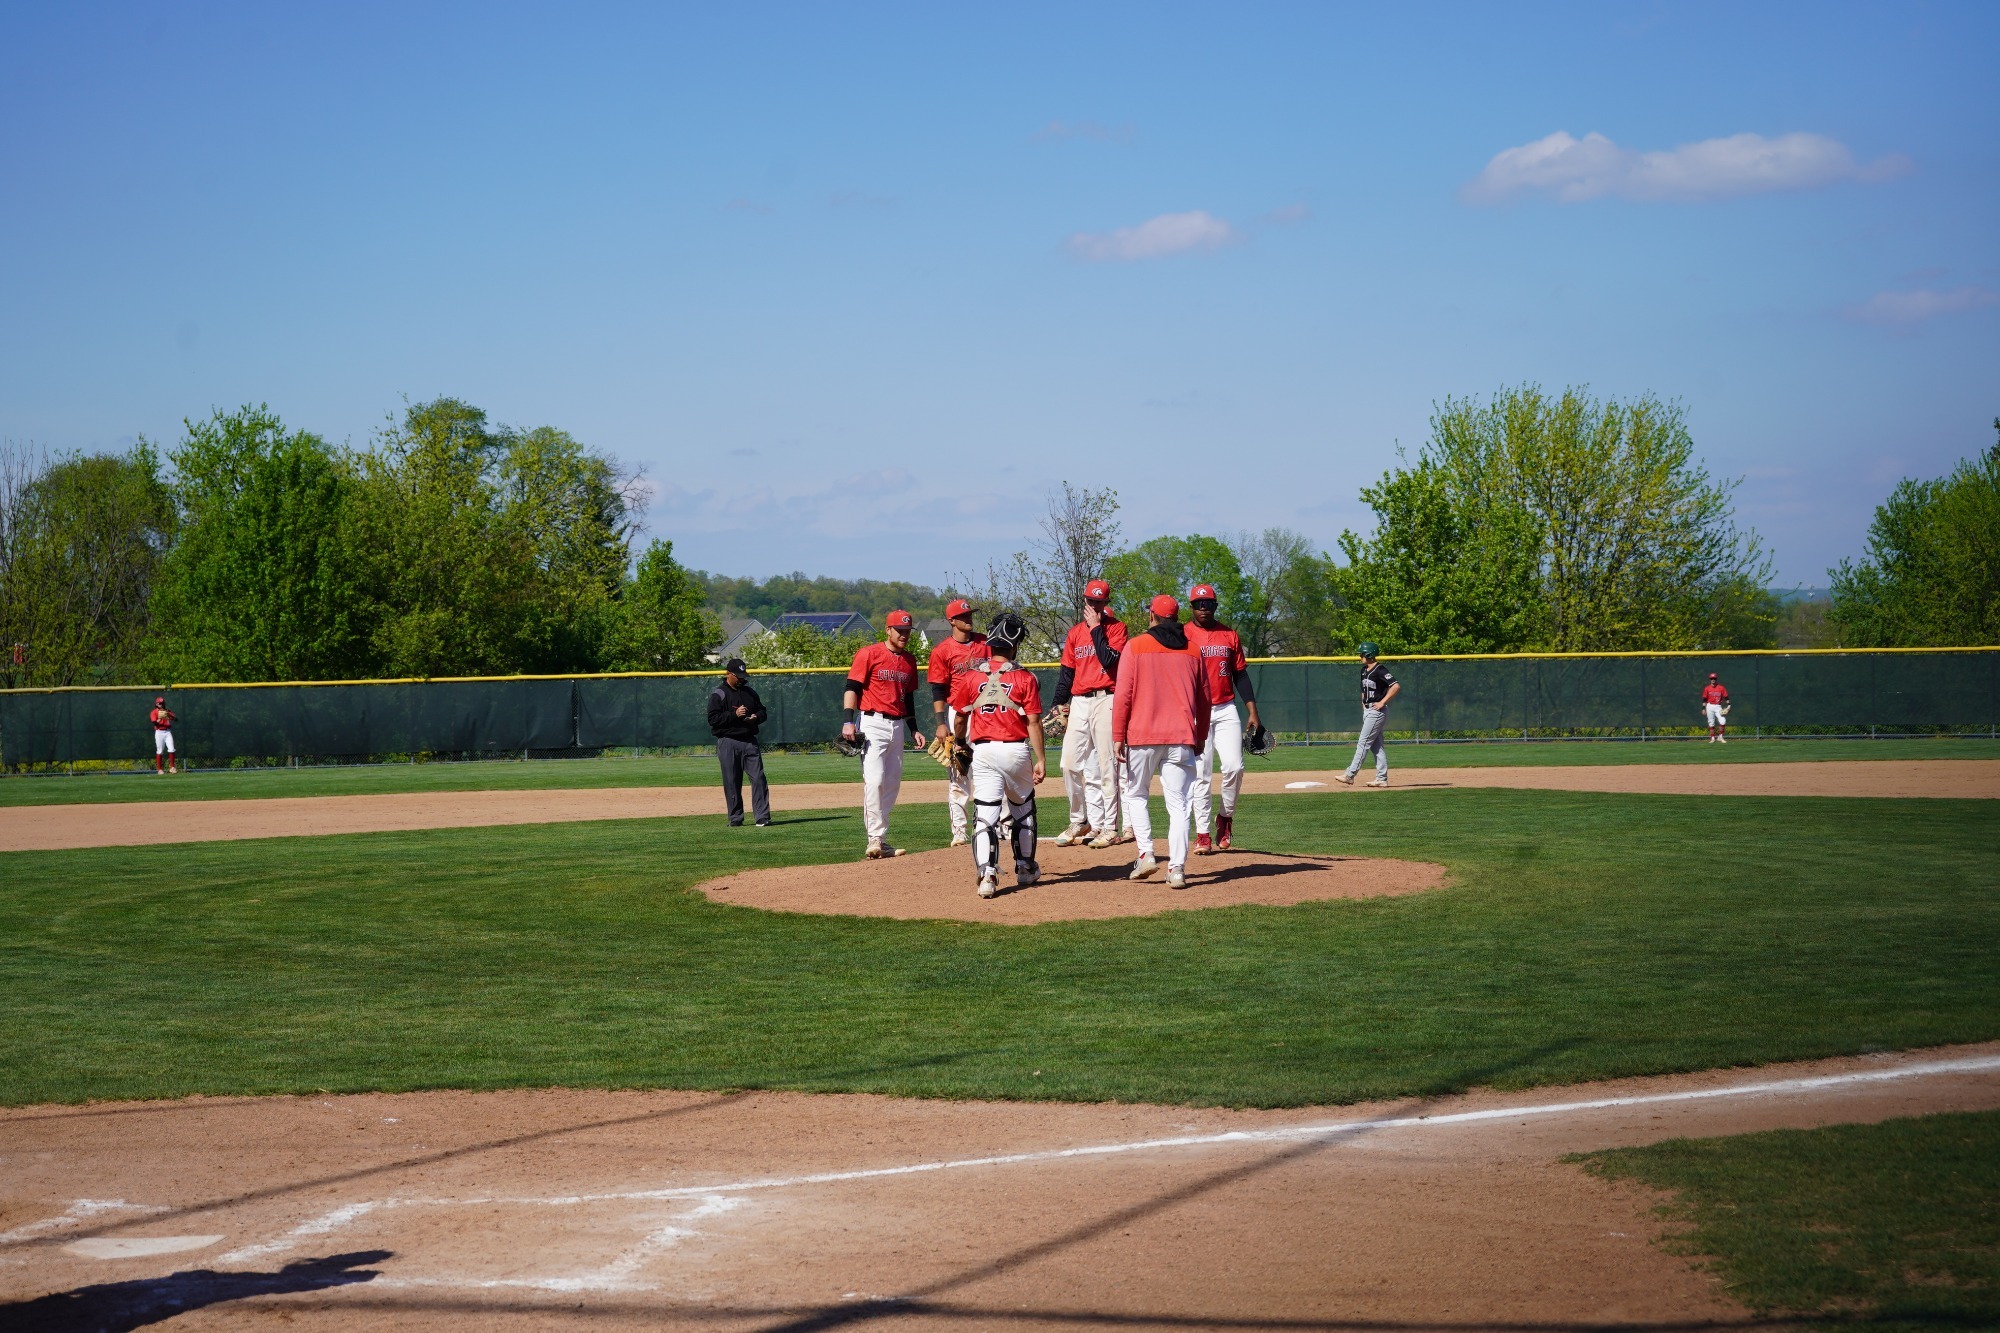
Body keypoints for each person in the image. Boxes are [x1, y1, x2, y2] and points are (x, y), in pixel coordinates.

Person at [1111, 593, 1210, 889]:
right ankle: (1177, 869)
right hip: (1180, 737)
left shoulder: (1136, 646)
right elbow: (1205, 699)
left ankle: (1146, 854)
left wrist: (1118, 735)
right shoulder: (1193, 650)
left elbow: (1123, 696)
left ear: (1152, 616)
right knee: (1179, 804)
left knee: (1137, 795)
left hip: (1142, 736)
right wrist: (1201, 735)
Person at [950, 612, 1045, 898]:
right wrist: (1041, 758)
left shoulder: (972, 676)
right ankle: (1026, 868)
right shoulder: (1025, 677)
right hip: (1016, 749)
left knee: (986, 815)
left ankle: (987, 876)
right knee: (1023, 810)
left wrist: (959, 743)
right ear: (1014, 646)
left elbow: (959, 718)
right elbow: (1033, 722)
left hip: (985, 751)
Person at [1049, 578, 1128, 849]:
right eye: (1090, 601)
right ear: (1085, 601)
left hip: (1107, 698)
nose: (1093, 605)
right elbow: (1067, 674)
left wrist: (1096, 628)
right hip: (1080, 702)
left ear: (1106, 603)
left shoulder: (1117, 629)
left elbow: (1109, 660)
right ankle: (1079, 820)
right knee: (1068, 764)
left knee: (1108, 765)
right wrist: (1058, 703)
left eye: (1099, 601)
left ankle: (1109, 827)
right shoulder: (1073, 633)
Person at [841, 610, 924, 858]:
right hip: (872, 722)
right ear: (888, 630)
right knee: (875, 781)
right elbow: (851, 688)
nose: (904, 635)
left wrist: (914, 729)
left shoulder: (909, 661)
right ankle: (874, 838)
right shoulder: (869, 653)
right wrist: (848, 722)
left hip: (898, 726)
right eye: (899, 630)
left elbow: (907, 698)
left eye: (908, 631)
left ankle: (882, 839)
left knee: (891, 785)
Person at [1185, 584, 1261, 854]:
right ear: (1191, 606)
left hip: (1226, 707)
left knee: (1234, 766)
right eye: (1198, 604)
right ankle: (1202, 833)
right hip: (1195, 712)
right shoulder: (1183, 634)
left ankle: (1225, 818)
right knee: (1201, 775)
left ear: (1215, 606)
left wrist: (1252, 710)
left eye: (1208, 604)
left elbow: (1240, 675)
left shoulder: (1229, 634)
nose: (1203, 608)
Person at [928, 597, 990, 847]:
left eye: (970, 615)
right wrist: (941, 723)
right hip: (958, 713)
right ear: (951, 621)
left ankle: (991, 826)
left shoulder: (985, 643)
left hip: (986, 712)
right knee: (958, 773)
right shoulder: (942, 650)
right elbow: (938, 690)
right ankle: (960, 832)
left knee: (988, 771)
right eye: (963, 617)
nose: (968, 619)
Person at [707, 658, 770, 827]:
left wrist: (756, 717)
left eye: (744, 675)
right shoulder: (719, 694)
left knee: (758, 778)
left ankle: (762, 816)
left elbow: (762, 711)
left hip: (749, 741)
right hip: (728, 741)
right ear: (729, 674)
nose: (742, 679)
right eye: (739, 676)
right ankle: (735, 818)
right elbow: (713, 719)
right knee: (732, 780)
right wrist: (734, 715)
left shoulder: (750, 693)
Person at [1334, 643, 1399, 788]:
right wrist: (1363, 702)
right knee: (1377, 746)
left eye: (1362, 654)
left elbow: (1395, 686)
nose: (1360, 657)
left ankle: (1350, 775)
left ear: (1369, 655)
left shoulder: (1380, 669)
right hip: (1368, 710)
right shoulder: (1364, 670)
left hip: (1377, 712)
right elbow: (1363, 688)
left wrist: (1382, 702)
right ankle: (1382, 778)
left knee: (1363, 743)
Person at [149, 695, 178, 775]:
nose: (162, 704)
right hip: (159, 732)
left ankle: (172, 767)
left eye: (163, 703)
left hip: (168, 731)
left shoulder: (167, 711)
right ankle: (159, 769)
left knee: (172, 749)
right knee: (160, 751)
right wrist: (160, 719)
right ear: (157, 704)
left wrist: (169, 715)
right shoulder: (154, 712)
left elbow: (176, 719)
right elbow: (154, 723)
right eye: (160, 703)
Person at [1702, 672, 1730, 743]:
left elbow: (1726, 697)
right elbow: (1704, 699)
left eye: (1714, 678)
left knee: (1723, 721)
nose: (1713, 679)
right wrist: (1703, 708)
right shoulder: (1707, 688)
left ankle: (1720, 737)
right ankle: (1712, 738)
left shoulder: (1721, 688)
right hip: (1709, 706)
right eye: (1711, 678)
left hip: (1718, 706)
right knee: (1711, 722)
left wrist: (1729, 705)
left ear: (1716, 679)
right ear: (1710, 679)